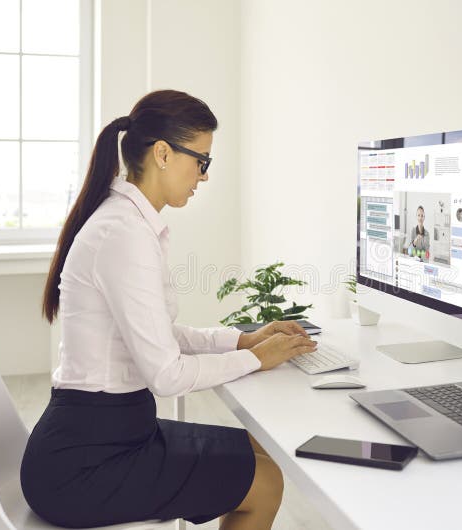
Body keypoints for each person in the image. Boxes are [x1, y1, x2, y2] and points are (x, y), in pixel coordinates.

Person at [21, 89, 317, 529]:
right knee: (267, 482)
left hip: (110, 433)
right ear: (163, 153)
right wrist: (254, 359)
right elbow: (167, 375)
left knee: (258, 451)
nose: (204, 176)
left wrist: (243, 340)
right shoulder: (124, 234)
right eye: (202, 161)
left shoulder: (130, 223)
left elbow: (161, 333)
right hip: (84, 464)